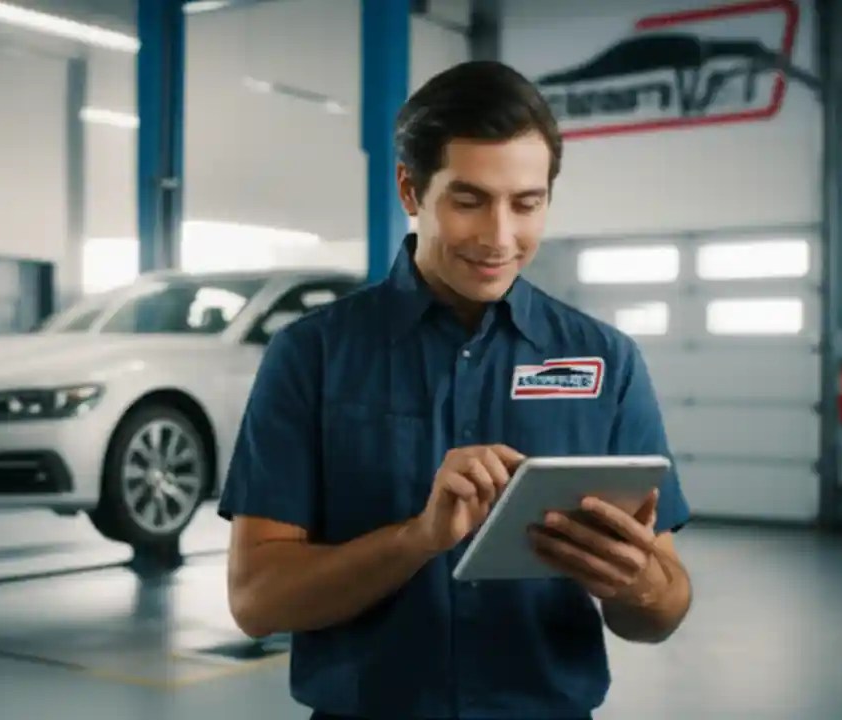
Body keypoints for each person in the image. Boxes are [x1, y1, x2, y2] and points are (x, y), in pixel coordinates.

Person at [218, 60, 693, 720]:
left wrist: (634, 583)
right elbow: (257, 601)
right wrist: (419, 538)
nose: (500, 238)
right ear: (410, 189)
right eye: (469, 201)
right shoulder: (313, 357)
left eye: (526, 204)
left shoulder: (605, 362)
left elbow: (662, 611)